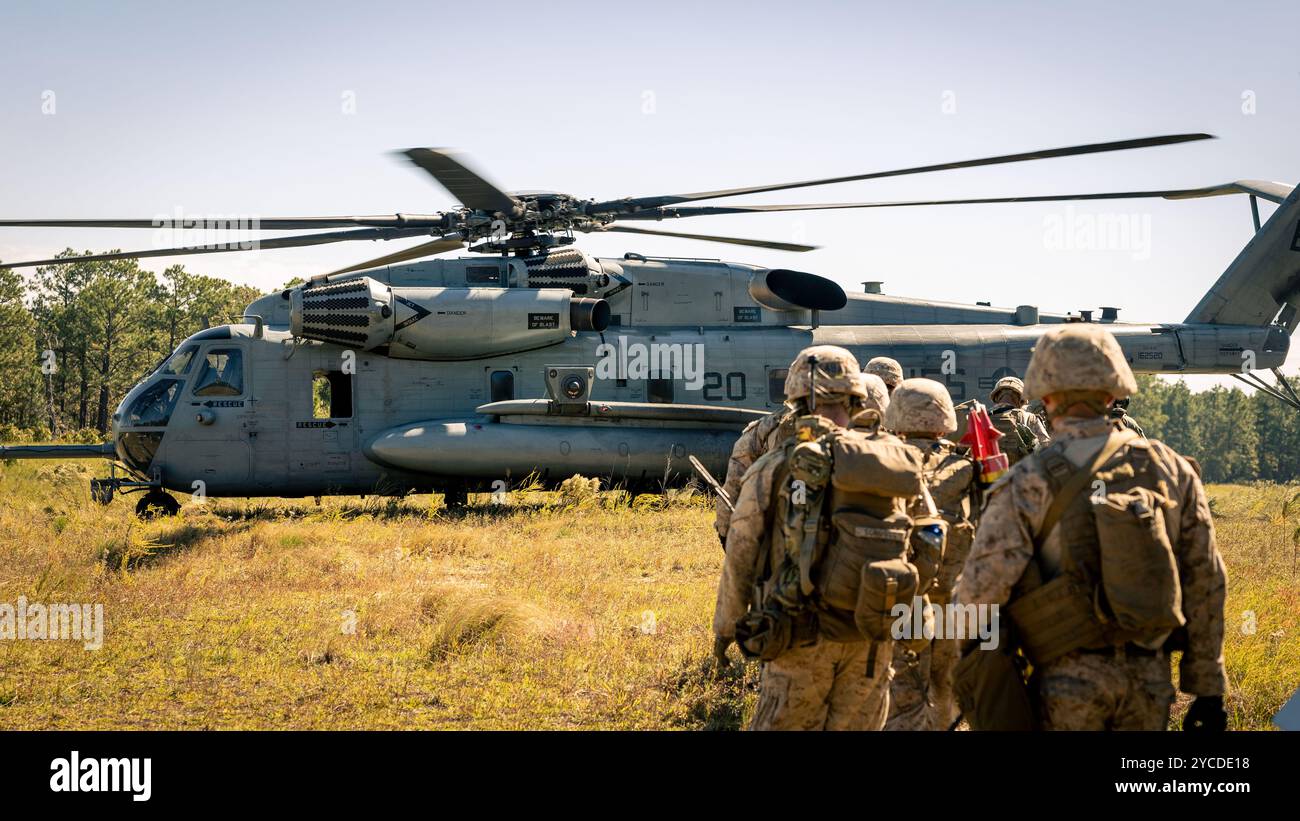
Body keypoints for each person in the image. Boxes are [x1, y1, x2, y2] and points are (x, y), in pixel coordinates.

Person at [954, 324, 1227, 731]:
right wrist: (1208, 689)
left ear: (1044, 395)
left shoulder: (1028, 479)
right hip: (1149, 681)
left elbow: (980, 591)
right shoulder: (1169, 468)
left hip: (1065, 684)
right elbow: (1205, 579)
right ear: (1114, 389)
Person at [713, 345, 926, 730]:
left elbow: (741, 551)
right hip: (870, 639)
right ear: (856, 396)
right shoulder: (894, 460)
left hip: (799, 636)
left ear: (796, 397)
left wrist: (726, 628)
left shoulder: (776, 464)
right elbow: (928, 540)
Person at [881, 379, 978, 731]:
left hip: (905, 600)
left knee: (903, 694)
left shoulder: (884, 463)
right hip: (959, 605)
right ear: (947, 419)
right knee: (947, 692)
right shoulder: (970, 467)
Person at [987, 376, 1050, 464]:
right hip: (1022, 474)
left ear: (996, 397)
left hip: (991, 474)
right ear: (1021, 400)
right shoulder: (1029, 418)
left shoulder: (983, 418)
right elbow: (1047, 450)